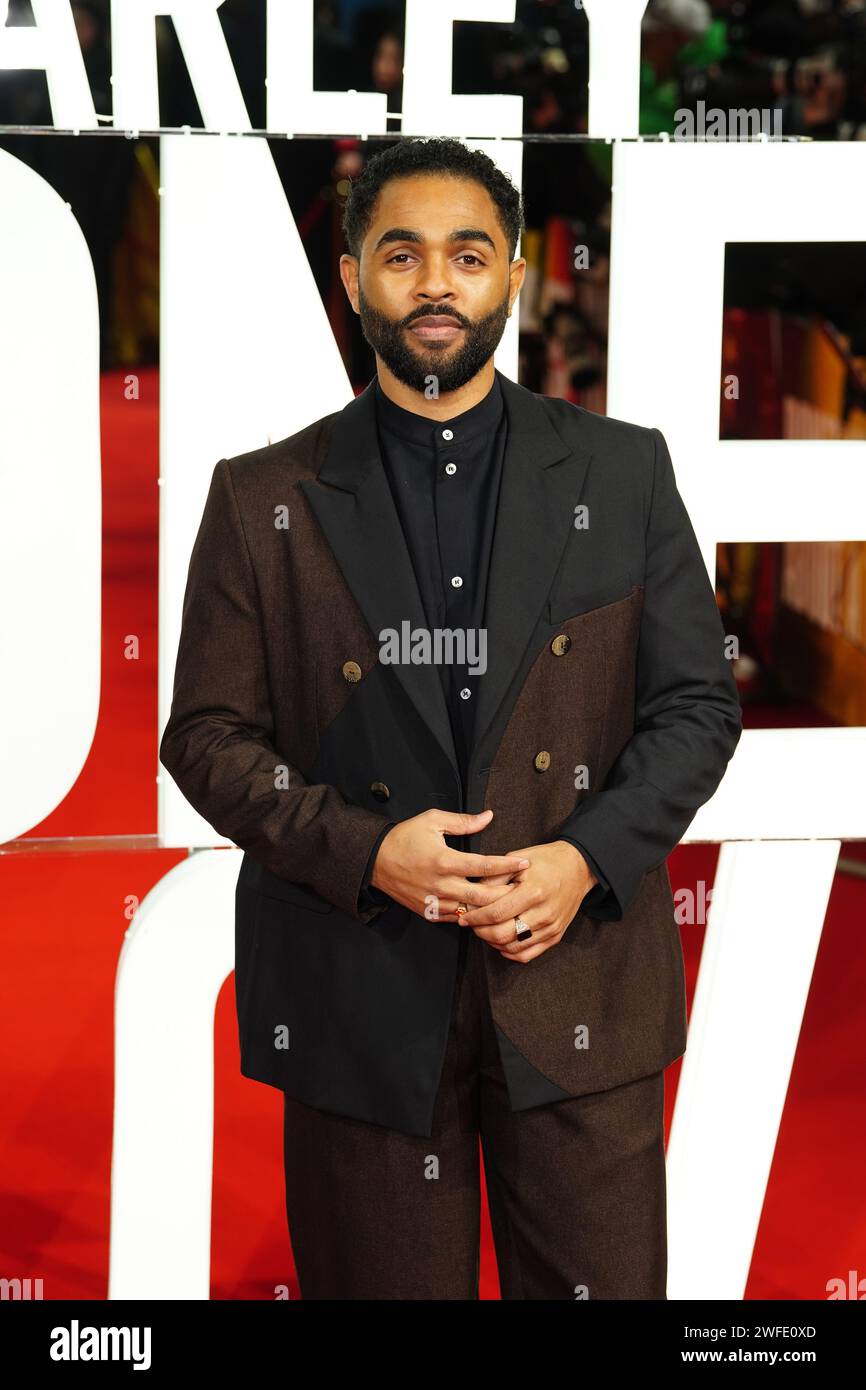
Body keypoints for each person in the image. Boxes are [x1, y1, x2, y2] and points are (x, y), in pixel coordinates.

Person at [159, 136, 742, 1300]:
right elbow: (207, 734)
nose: (435, 284)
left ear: (513, 274)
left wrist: (583, 858)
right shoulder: (260, 494)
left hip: (575, 980)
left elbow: (692, 705)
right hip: (361, 994)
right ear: (350, 277)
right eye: (401, 255)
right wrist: (370, 851)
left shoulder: (621, 475)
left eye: (466, 255)